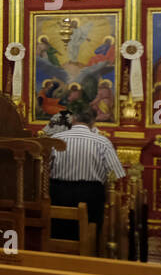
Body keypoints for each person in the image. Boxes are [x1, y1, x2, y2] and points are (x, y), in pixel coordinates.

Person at [48, 103, 124, 241]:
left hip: (58, 195)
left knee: (59, 233)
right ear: (93, 122)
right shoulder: (102, 142)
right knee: (89, 235)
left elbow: (44, 170)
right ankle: (89, 257)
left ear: (73, 119)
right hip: (91, 197)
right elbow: (116, 174)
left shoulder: (56, 139)